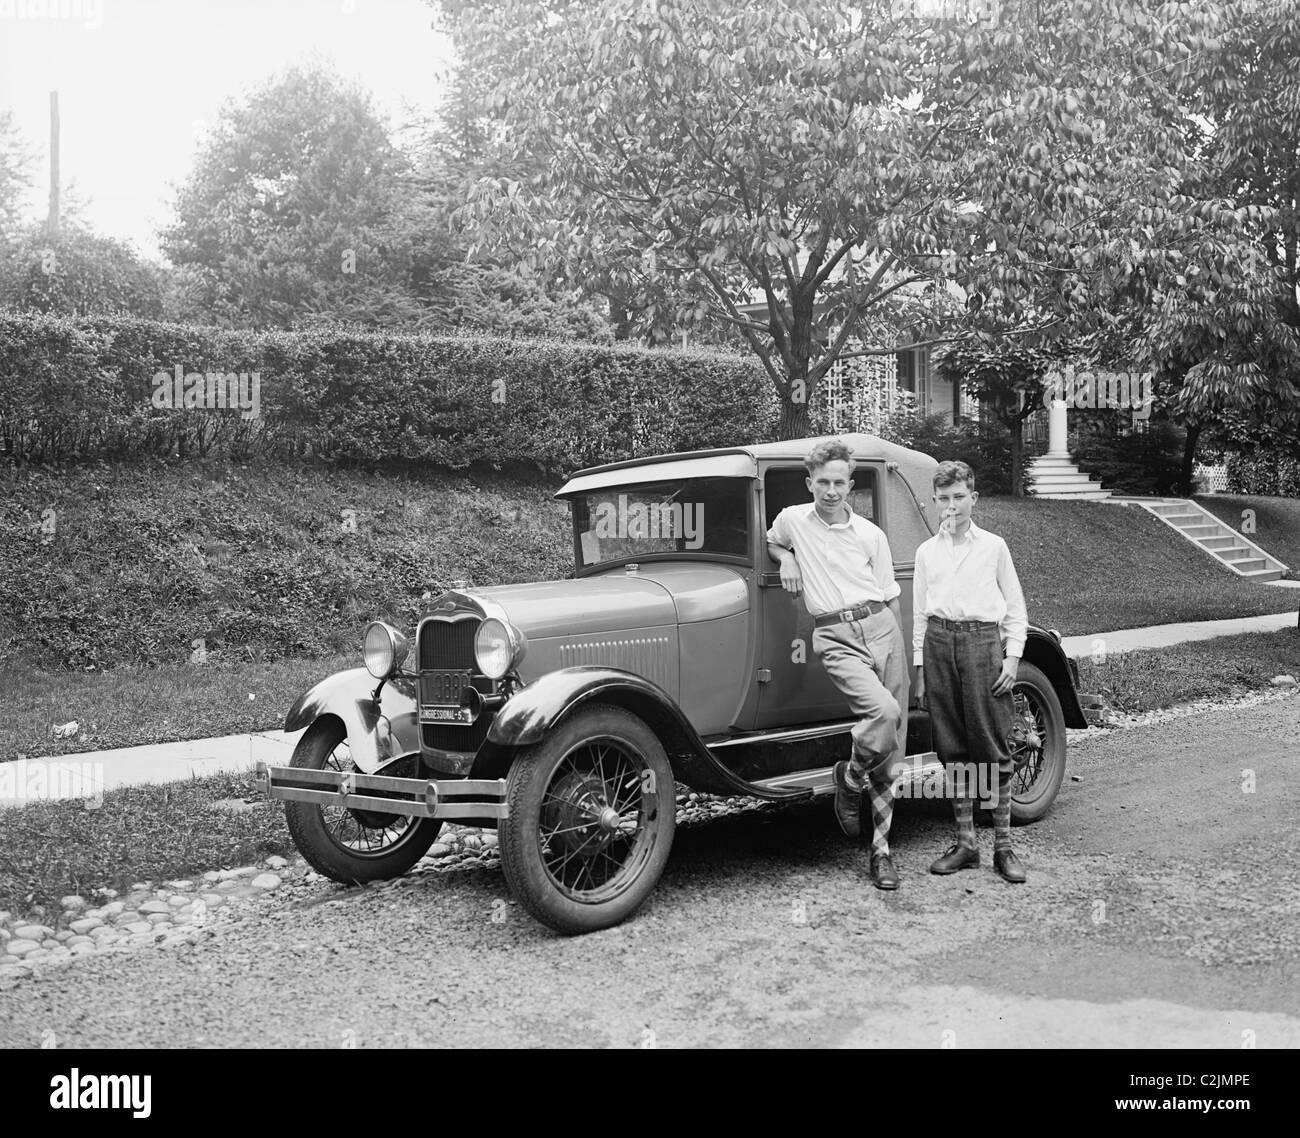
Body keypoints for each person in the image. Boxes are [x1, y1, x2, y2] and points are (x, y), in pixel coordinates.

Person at [766, 439, 909, 891]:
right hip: (834, 634)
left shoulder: (870, 534)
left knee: (893, 746)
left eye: (839, 482)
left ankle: (881, 851)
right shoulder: (792, 520)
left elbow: (890, 596)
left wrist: (906, 656)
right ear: (810, 483)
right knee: (882, 713)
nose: (831, 491)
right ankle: (849, 776)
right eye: (823, 482)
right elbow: (772, 541)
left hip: (883, 626)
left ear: (851, 484)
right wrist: (786, 556)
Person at [912, 460, 1030, 883]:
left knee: (991, 743)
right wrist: (921, 668)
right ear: (935, 501)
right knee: (951, 746)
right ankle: (966, 844)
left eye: (958, 497)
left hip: (982, 644)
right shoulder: (927, 552)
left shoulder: (993, 547)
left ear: (973, 498)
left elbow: (1015, 610)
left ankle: (1003, 847)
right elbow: (920, 614)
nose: (951, 506)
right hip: (939, 644)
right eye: (943, 498)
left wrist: (1012, 658)